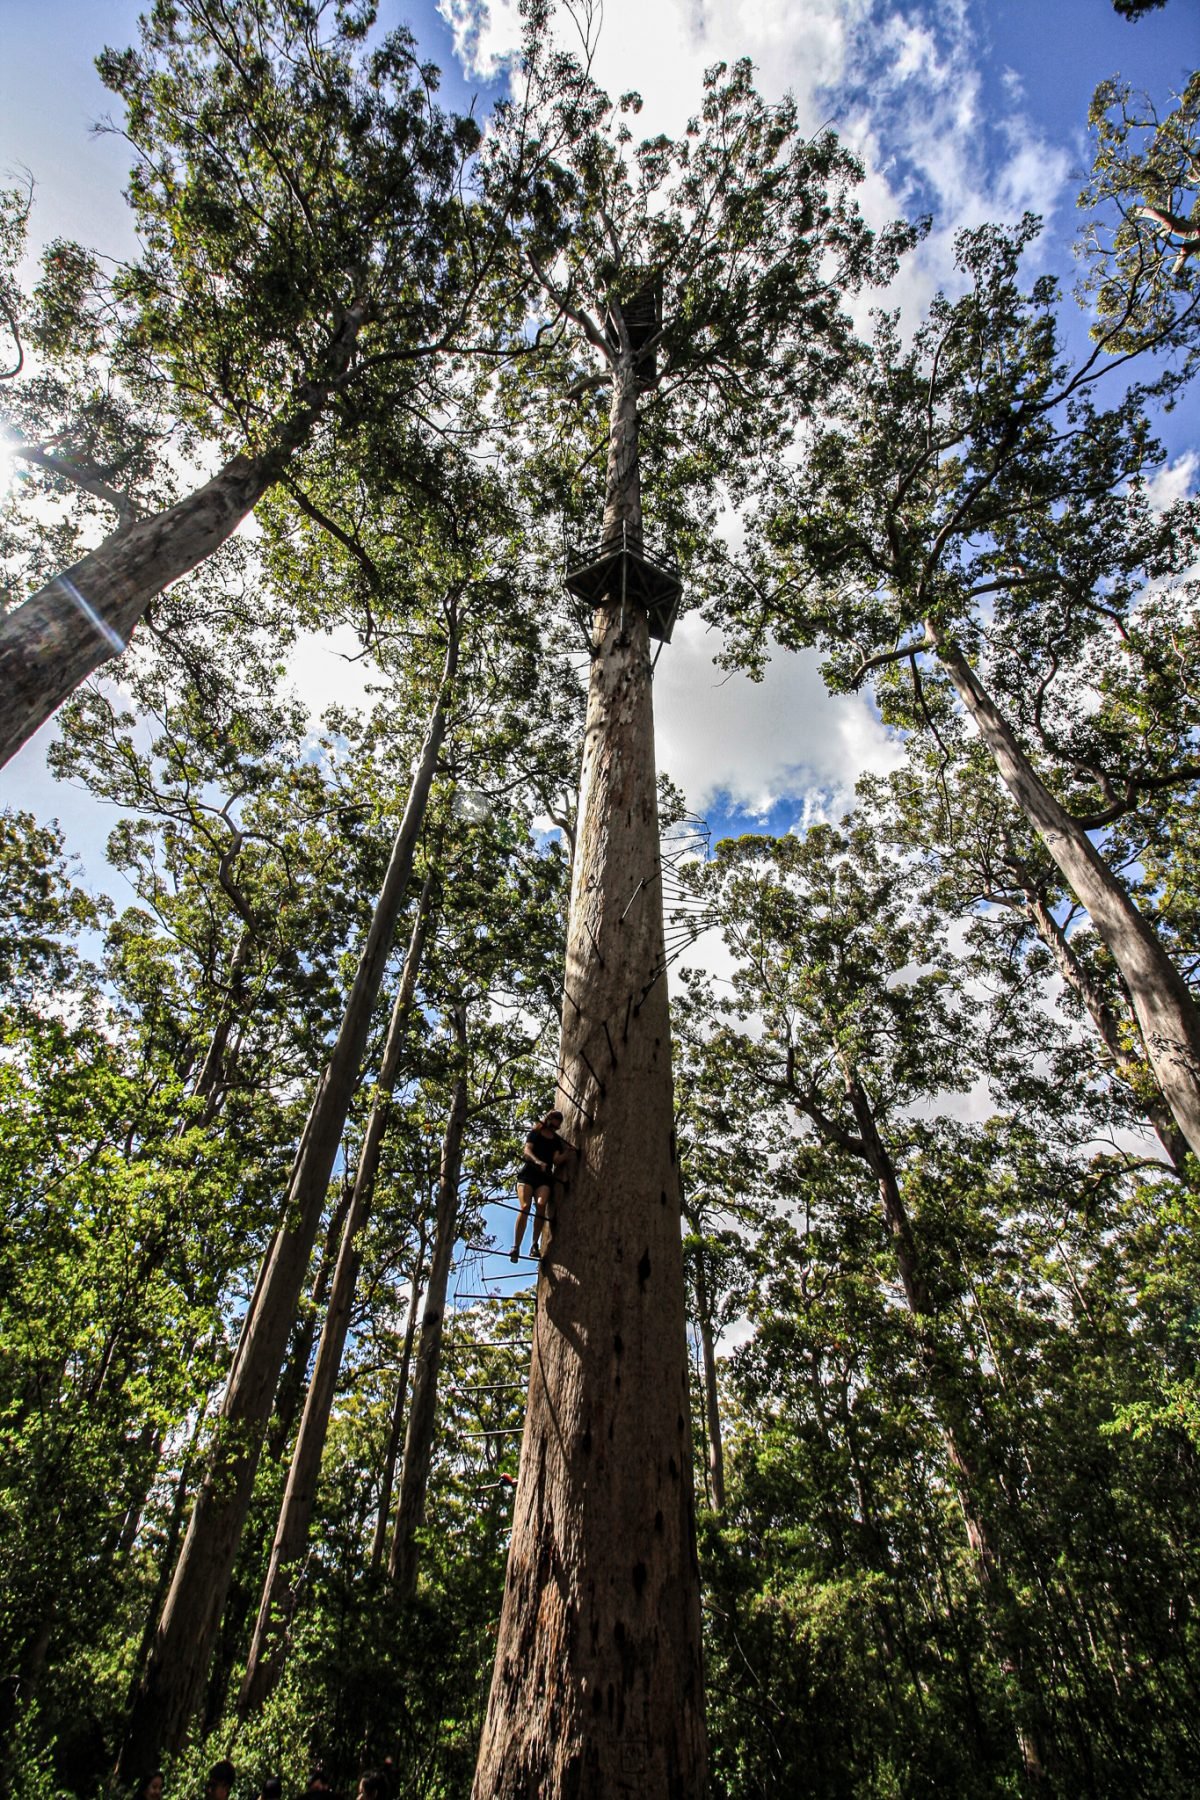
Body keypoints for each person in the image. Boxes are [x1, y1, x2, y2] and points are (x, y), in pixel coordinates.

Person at [511, 1108, 571, 1261]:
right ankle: (516, 1246)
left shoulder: (556, 1140)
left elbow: (556, 1160)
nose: (554, 1129)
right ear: (548, 1121)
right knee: (525, 1207)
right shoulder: (535, 1133)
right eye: (553, 1125)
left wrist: (567, 1154)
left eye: (557, 1127)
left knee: (541, 1205)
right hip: (528, 1175)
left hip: (544, 1178)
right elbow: (527, 1150)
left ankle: (534, 1245)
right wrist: (537, 1161)